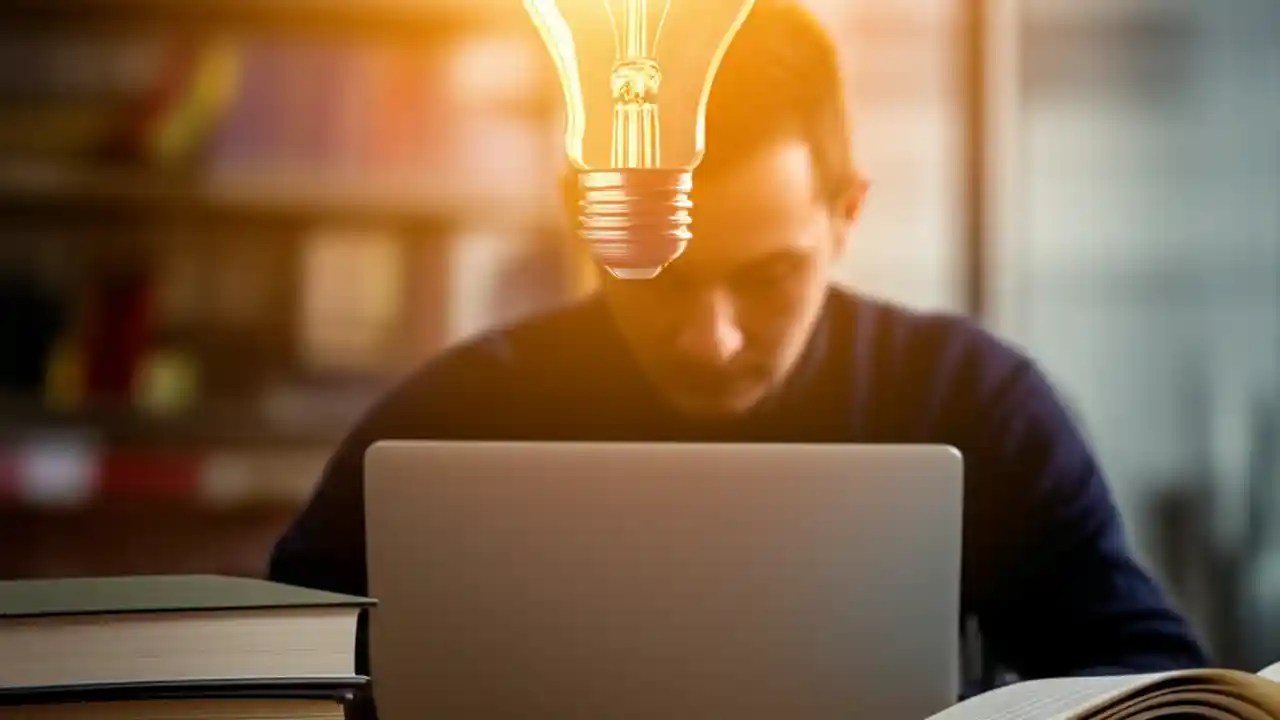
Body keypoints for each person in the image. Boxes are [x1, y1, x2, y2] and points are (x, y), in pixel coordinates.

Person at [268, 0, 1209, 702]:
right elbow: (274, 682)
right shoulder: (449, 420)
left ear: (847, 215)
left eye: (765, 278)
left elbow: (1155, 687)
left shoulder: (980, 405)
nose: (709, 339)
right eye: (657, 277)